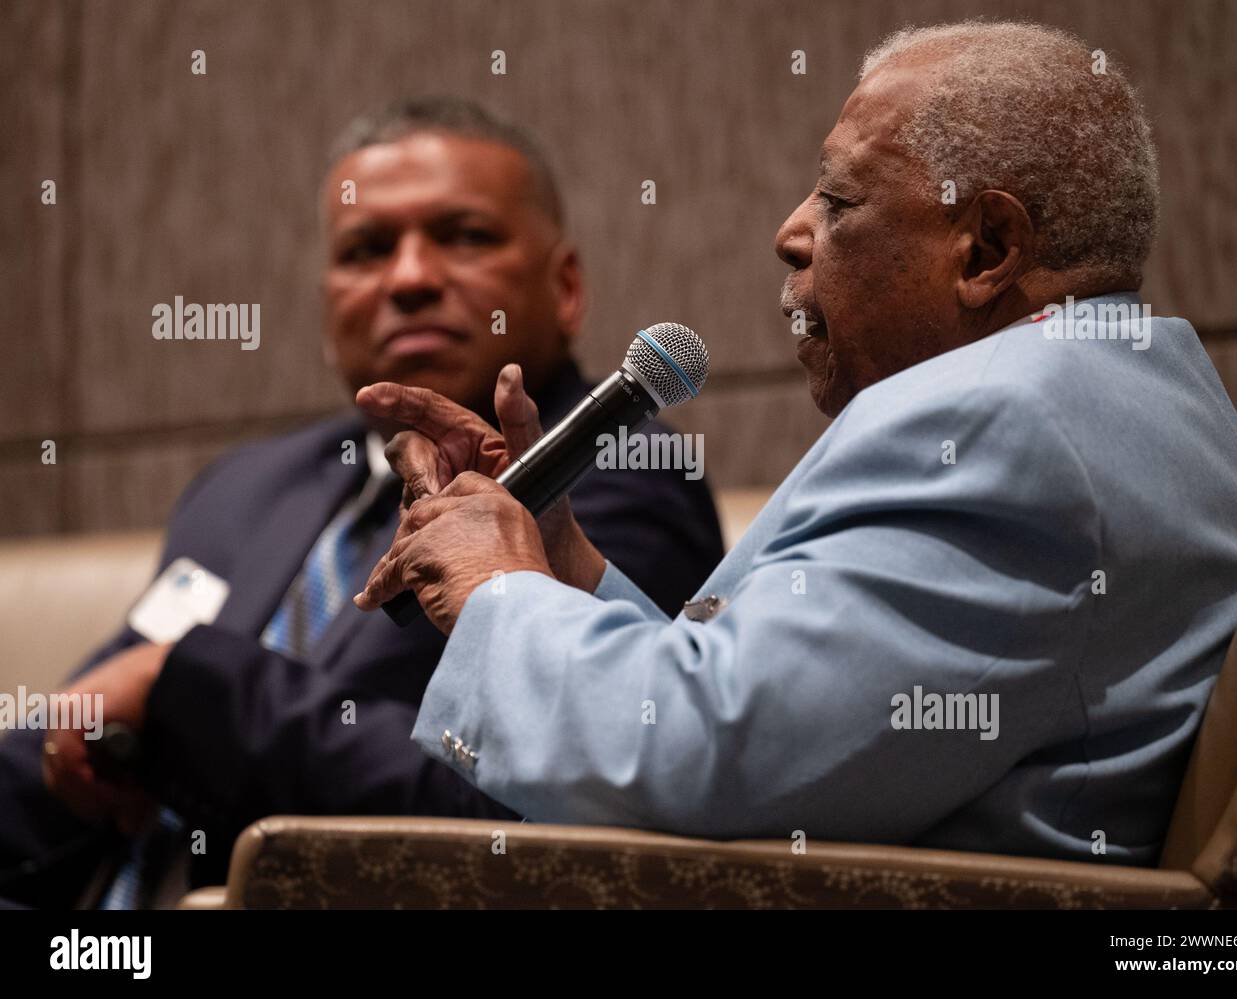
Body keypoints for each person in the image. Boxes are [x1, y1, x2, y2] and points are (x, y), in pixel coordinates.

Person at [353, 23, 1237, 865]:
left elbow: (702, 766)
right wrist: (559, 561)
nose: (790, 232)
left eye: (837, 198)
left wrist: (496, 592)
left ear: (987, 246)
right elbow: (772, 727)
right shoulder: (1133, 397)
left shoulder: (1005, 424)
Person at [7, 97, 723, 908]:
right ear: (326, 306)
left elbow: (519, 811)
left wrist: (182, 686)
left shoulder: (620, 470)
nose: (410, 278)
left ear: (565, 287)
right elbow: (65, 733)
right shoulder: (243, 487)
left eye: (465, 236)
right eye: (367, 249)